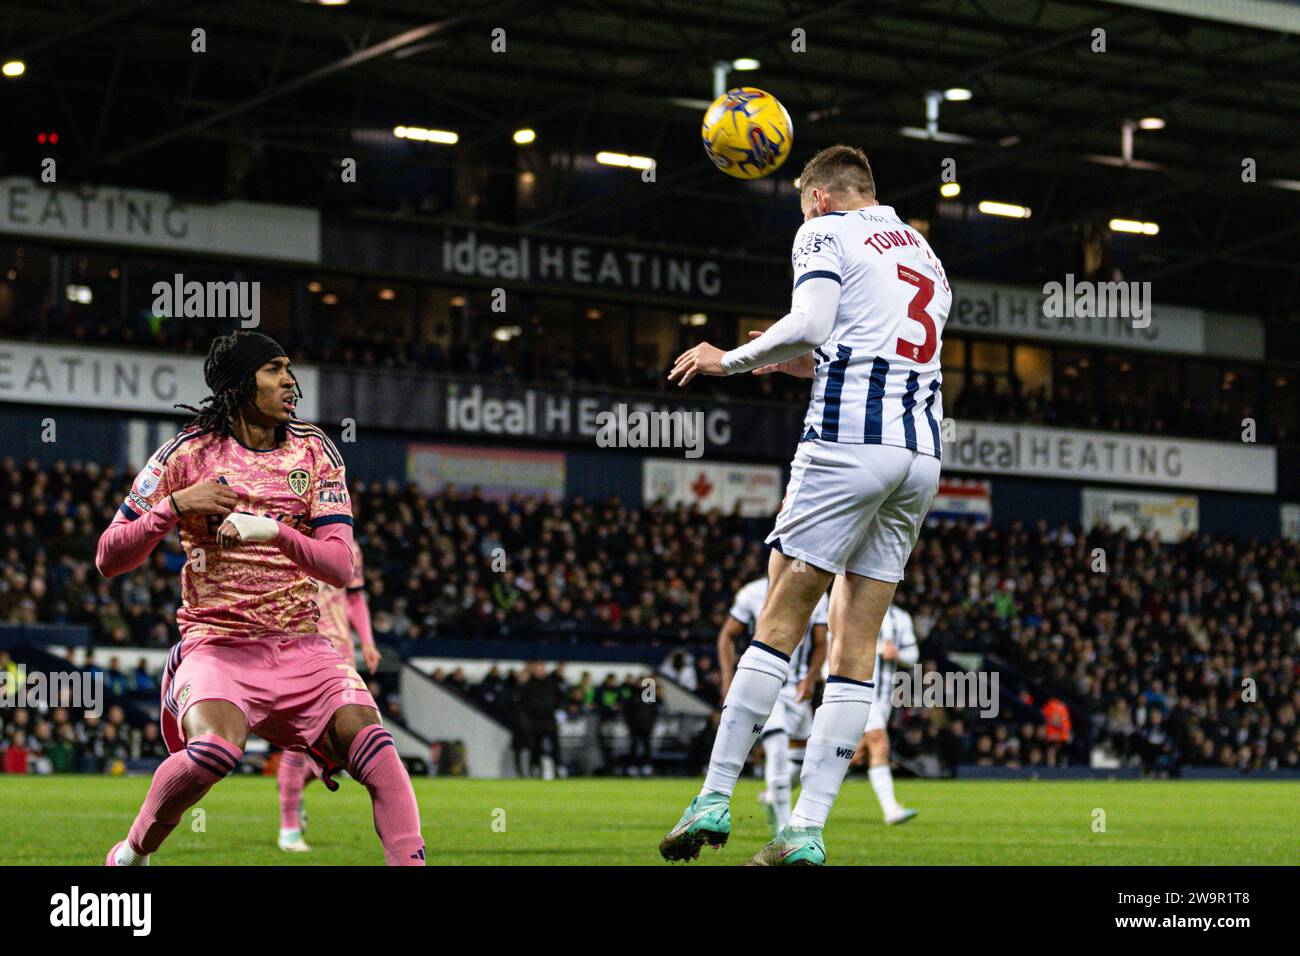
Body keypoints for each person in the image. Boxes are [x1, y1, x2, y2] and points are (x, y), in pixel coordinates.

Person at [661, 144, 948, 865]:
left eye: (800, 202)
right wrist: (783, 356)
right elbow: (859, 346)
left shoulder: (824, 230)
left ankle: (715, 796)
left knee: (781, 618)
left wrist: (725, 357)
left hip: (847, 443)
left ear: (819, 195)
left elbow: (814, 323)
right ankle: (805, 831)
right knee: (855, 649)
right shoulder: (923, 250)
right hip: (919, 454)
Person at [96, 331, 424, 866]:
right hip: (218, 646)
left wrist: (271, 531)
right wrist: (172, 507)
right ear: (239, 385)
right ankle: (132, 853)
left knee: (377, 748)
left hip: (302, 646)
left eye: (289, 368)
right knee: (213, 754)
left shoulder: (314, 450)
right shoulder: (184, 456)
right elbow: (109, 558)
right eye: (274, 369)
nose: (290, 380)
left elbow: (340, 566)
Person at [277, 528, 382, 853]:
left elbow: (354, 598)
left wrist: (367, 641)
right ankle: (289, 827)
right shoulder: (284, 532)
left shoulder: (349, 546)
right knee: (299, 741)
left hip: (341, 652)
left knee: (342, 745)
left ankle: (295, 798)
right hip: (299, 647)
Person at [717, 575, 827, 837]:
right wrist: (727, 679)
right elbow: (727, 636)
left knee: (802, 762)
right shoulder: (752, 593)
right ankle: (784, 829)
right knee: (776, 749)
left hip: (797, 689)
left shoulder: (818, 592)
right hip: (765, 683)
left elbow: (822, 643)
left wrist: (811, 678)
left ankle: (772, 796)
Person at [851, 603, 920, 824]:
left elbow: (913, 655)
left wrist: (897, 654)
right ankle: (891, 810)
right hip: (858, 687)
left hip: (884, 697)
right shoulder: (854, 610)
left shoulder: (901, 617)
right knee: (880, 741)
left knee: (851, 754)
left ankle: (781, 786)